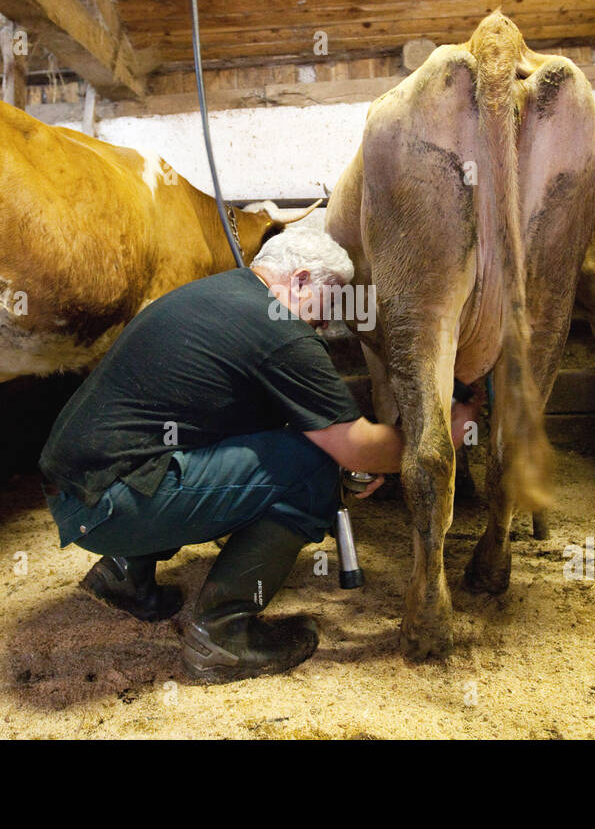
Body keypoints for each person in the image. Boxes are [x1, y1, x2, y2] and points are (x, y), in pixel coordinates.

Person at [39, 225, 481, 683]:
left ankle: (124, 574)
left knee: (244, 438)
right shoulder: (280, 329)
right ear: (302, 280)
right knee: (313, 466)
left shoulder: (218, 294)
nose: (326, 324)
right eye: (328, 305)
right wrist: (442, 437)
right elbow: (355, 447)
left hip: (76, 491)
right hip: (111, 506)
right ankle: (221, 637)